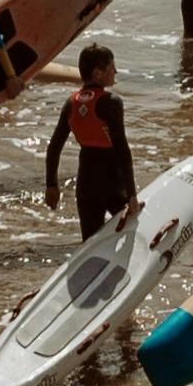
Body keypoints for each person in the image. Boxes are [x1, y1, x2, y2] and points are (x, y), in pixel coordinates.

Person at [44, 37, 137, 238]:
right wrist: (132, 196)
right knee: (130, 236)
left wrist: (51, 185)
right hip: (113, 184)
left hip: (86, 184)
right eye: (112, 67)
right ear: (98, 72)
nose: (116, 72)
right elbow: (122, 150)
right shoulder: (111, 102)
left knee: (90, 242)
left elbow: (54, 147)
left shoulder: (71, 103)